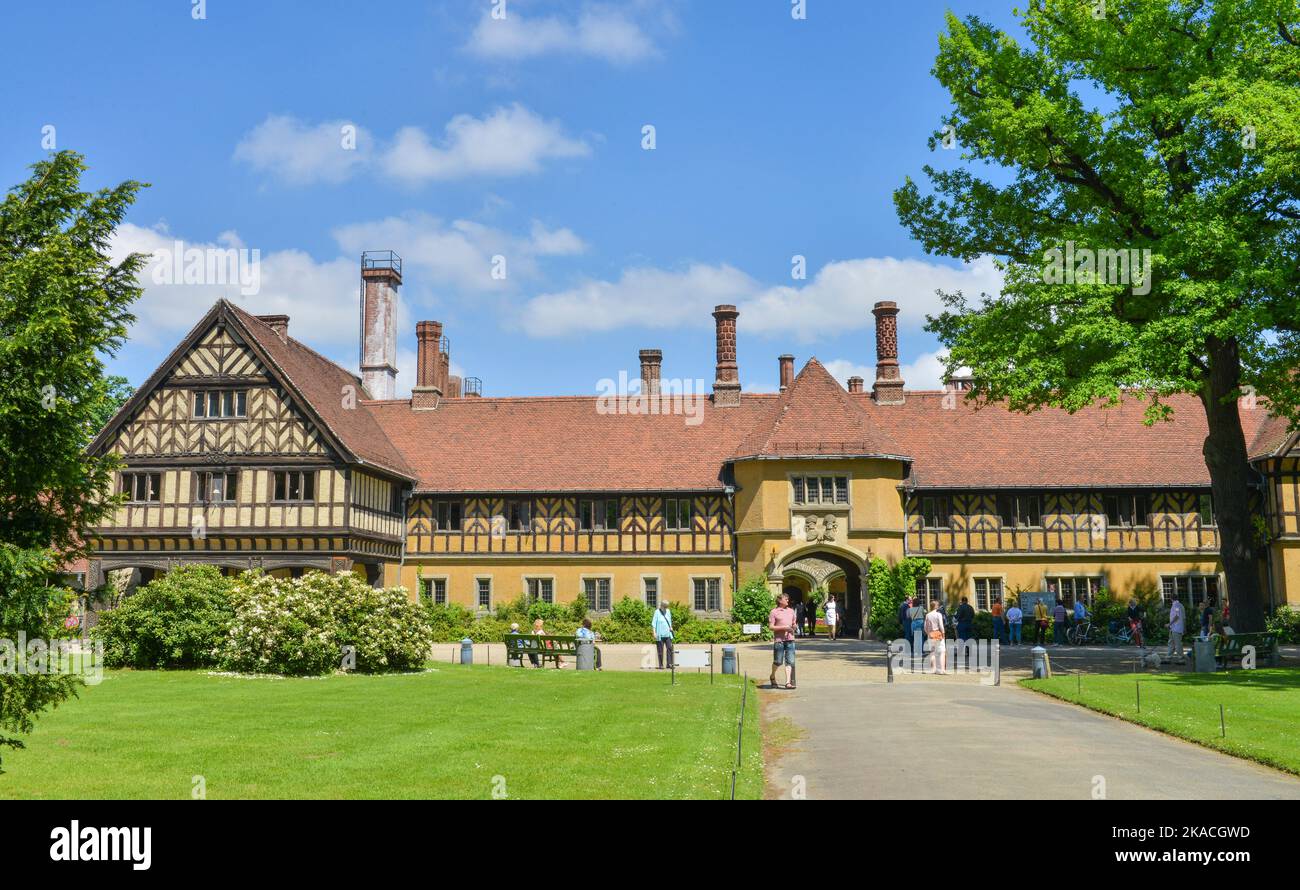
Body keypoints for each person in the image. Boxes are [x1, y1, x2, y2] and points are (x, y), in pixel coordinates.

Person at [769, 593, 798, 689]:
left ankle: (788, 682)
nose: (788, 601)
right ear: (780, 600)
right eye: (786, 599)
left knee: (790, 661)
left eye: (788, 599)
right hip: (779, 640)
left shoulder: (791, 611)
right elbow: (771, 627)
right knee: (778, 661)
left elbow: (794, 623)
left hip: (790, 639)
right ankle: (772, 676)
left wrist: (794, 626)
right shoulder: (774, 612)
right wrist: (783, 628)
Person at [924, 600, 947, 673]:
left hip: (931, 635)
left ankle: (933, 669)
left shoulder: (928, 615)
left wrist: (928, 633)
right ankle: (942, 669)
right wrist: (943, 634)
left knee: (932, 652)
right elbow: (941, 625)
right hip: (938, 634)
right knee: (942, 652)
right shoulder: (938, 614)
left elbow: (925, 627)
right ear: (936, 606)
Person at [652, 601, 674, 670]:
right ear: (661, 606)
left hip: (668, 634)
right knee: (660, 650)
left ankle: (669, 664)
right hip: (660, 635)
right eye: (665, 607)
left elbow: (669, 621)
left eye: (666, 607)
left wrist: (671, 627)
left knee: (670, 648)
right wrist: (654, 632)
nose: (666, 608)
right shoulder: (657, 612)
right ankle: (661, 665)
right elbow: (654, 623)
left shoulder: (668, 611)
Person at [907, 597, 927, 661]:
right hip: (920, 622)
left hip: (913, 623)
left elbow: (908, 616)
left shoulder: (910, 609)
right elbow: (925, 613)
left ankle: (916, 651)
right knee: (921, 637)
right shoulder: (921, 608)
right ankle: (921, 651)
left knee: (915, 638)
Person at [1167, 597, 1185, 661]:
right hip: (1174, 628)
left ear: (1171, 599)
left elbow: (1177, 616)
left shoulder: (1176, 605)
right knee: (1171, 642)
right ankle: (1169, 657)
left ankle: (1181, 658)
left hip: (1176, 628)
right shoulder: (1180, 605)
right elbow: (1183, 617)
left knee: (1177, 644)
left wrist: (1169, 624)